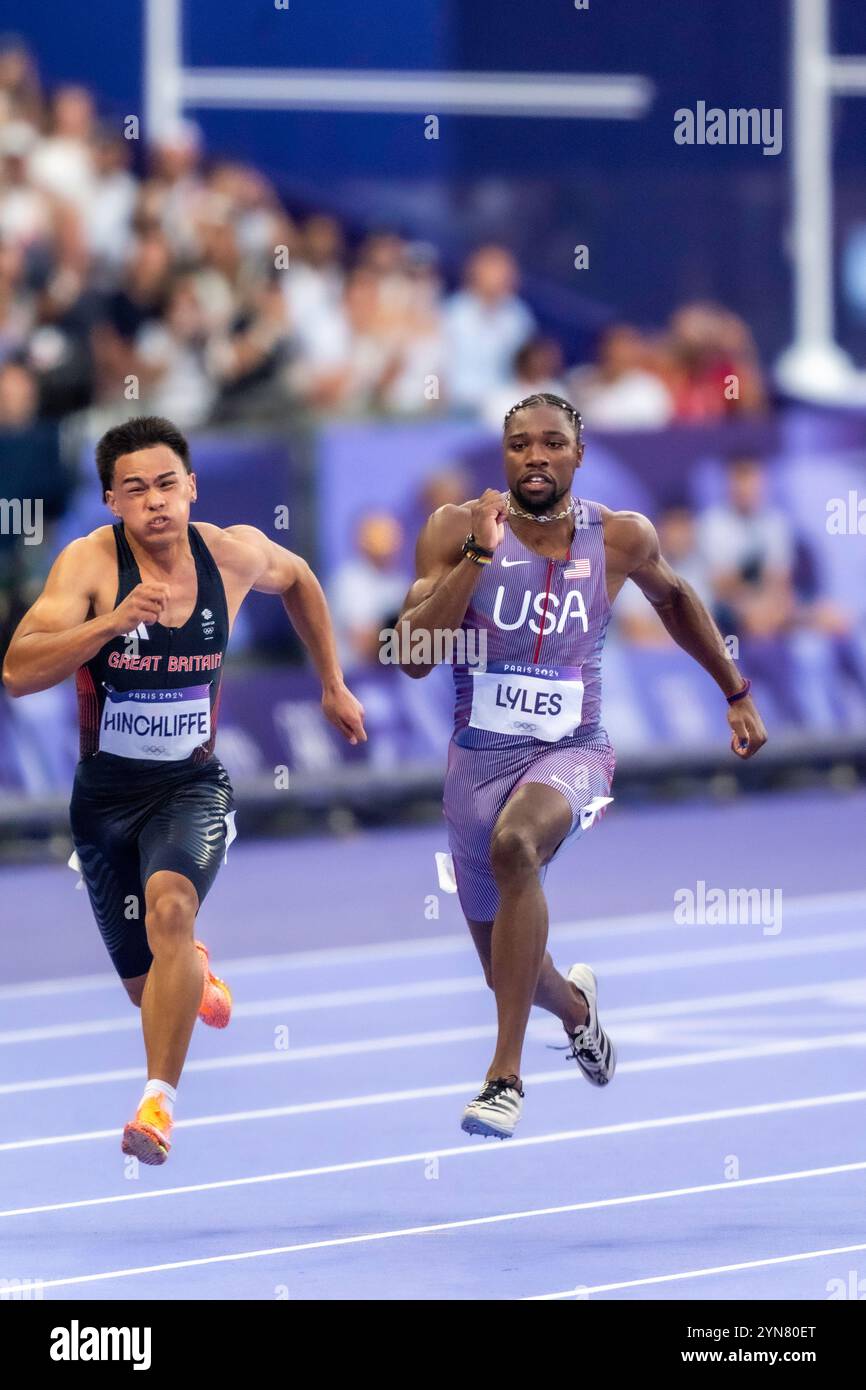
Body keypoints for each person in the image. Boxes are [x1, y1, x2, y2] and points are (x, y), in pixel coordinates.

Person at [397, 392, 767, 1139]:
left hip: (574, 751)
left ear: (578, 453)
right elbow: (410, 655)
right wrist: (477, 552)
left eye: (552, 443)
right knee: (509, 971)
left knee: (517, 845)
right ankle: (577, 1011)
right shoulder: (453, 528)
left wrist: (735, 690)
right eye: (520, 445)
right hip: (476, 766)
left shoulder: (621, 537)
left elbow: (678, 599)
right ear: (503, 456)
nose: (536, 456)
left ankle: (504, 1079)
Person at [1, 414, 366, 1165]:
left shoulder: (231, 555)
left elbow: (299, 580)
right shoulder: (89, 566)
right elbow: (17, 670)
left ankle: (156, 1107)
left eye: (168, 484)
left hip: (190, 787)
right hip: (103, 803)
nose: (156, 502)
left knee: (171, 908)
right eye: (136, 490)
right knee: (151, 991)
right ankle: (190, 969)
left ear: (192, 487)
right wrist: (105, 627)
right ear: (111, 501)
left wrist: (331, 683)